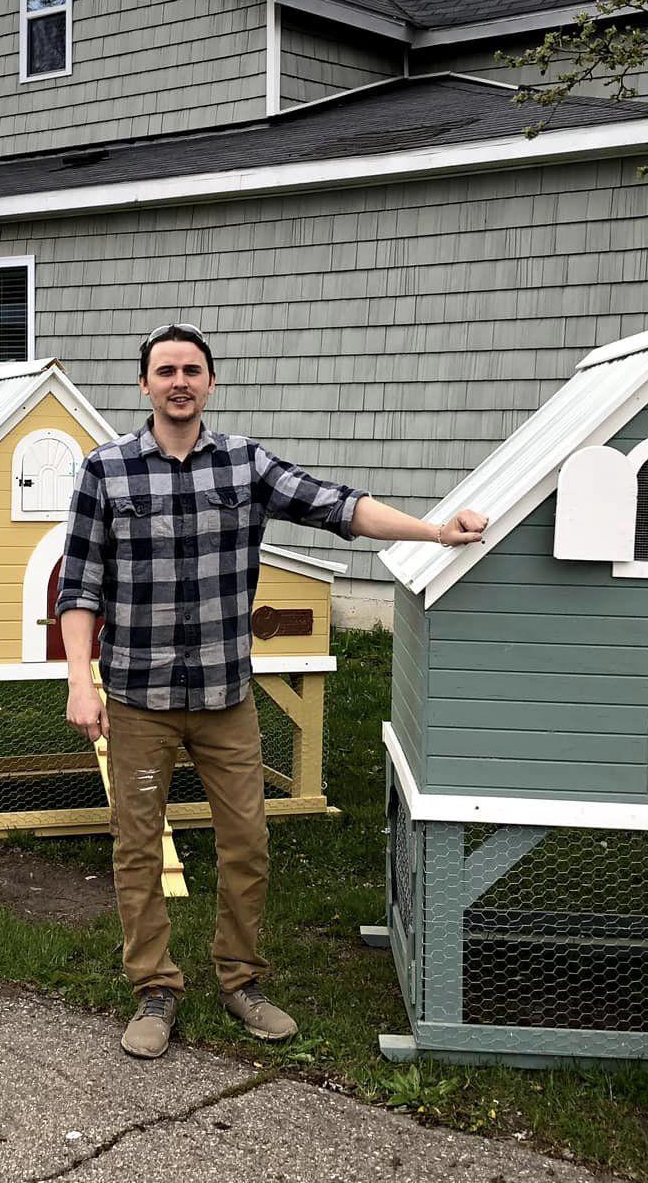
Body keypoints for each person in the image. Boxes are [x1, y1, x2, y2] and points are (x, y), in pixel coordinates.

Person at [56, 323, 488, 1059]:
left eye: (192, 370)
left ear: (210, 382)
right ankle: (154, 989)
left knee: (247, 843)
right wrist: (79, 680)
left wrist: (435, 531)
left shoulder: (245, 464)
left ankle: (241, 980)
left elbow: (338, 506)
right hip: (137, 697)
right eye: (166, 371)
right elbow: (80, 584)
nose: (179, 382)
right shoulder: (107, 470)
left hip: (225, 697)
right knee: (137, 849)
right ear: (145, 384)